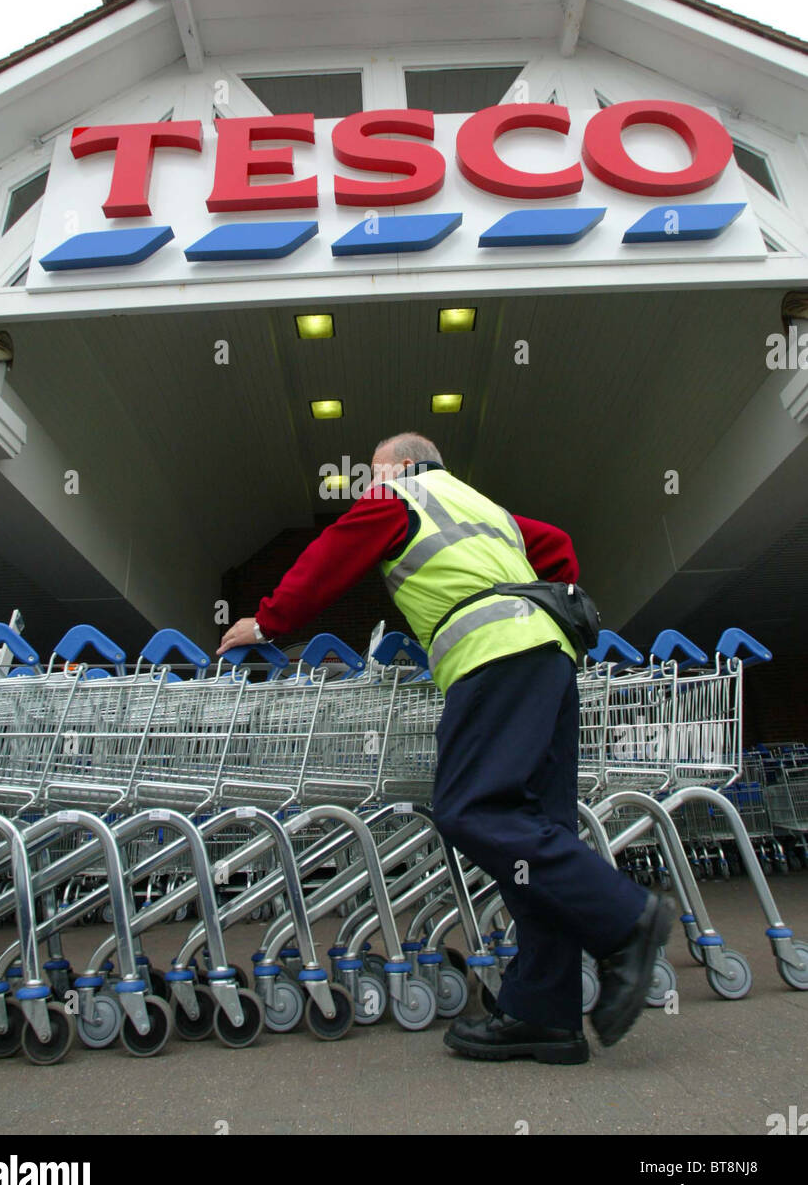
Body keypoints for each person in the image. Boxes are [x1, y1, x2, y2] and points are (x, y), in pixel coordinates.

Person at [218, 432, 672, 1062]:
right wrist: (537, 610)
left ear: (402, 465)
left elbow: (334, 552)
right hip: (548, 660)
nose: (367, 487)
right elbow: (558, 547)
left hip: (494, 660)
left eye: (372, 474)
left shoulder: (399, 494)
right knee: (539, 832)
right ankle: (545, 1013)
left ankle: (627, 918)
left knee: (471, 809)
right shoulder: (489, 512)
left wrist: (268, 620)